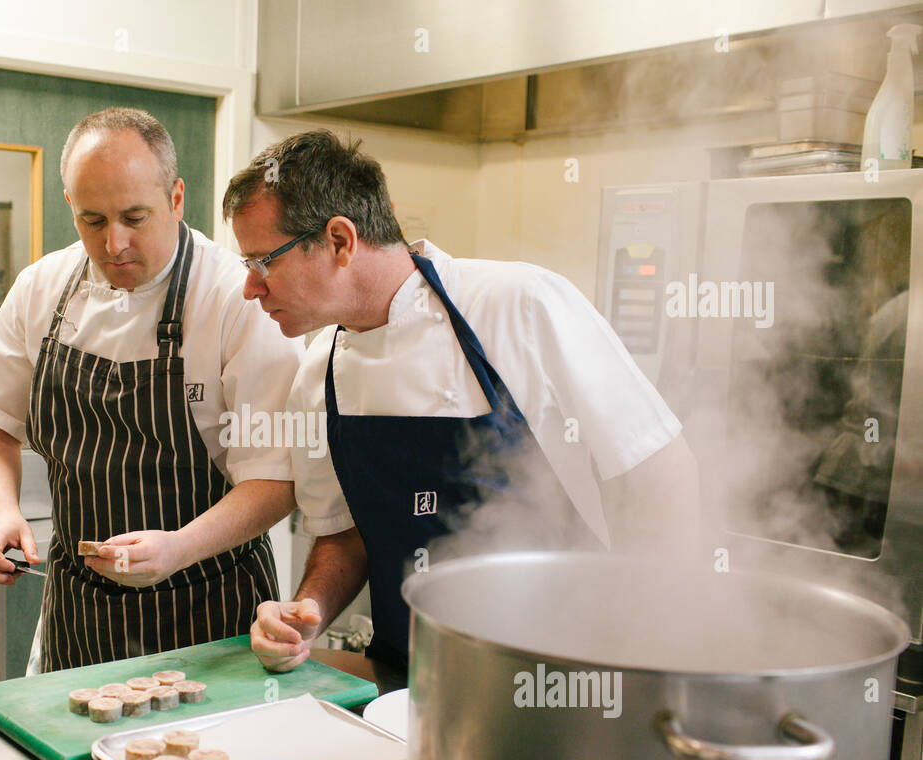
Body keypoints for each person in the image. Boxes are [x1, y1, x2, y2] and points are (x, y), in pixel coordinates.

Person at [224, 130, 701, 676]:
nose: (250, 288)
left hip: (568, 670)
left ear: (339, 240)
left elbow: (660, 473)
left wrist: (661, 648)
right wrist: (309, 608)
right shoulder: (320, 370)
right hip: (408, 681)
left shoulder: (519, 305)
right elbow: (345, 535)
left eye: (264, 261)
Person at [0, 108, 304, 671]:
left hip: (211, 613)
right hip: (81, 611)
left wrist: (178, 549)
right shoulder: (42, 289)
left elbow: (276, 478)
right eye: (92, 220)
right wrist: (1, 511)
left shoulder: (235, 299)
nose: (114, 242)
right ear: (70, 204)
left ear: (175, 198)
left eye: (134, 217)